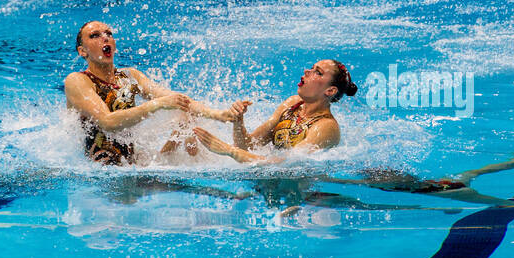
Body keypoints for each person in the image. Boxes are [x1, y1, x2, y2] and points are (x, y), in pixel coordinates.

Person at [65, 20, 247, 165]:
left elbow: (174, 99)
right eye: (95, 36)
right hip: (103, 175)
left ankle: (200, 172)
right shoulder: (77, 81)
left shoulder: (130, 76)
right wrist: (156, 104)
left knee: (186, 120)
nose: (105, 38)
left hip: (133, 165)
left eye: (109, 34)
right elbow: (107, 122)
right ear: (82, 51)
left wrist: (220, 115)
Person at [192, 59, 357, 162]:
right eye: (312, 68)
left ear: (330, 91)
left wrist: (229, 151)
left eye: (317, 72)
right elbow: (247, 147)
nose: (307, 71)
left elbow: (285, 166)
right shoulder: (293, 104)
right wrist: (238, 121)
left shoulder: (326, 127)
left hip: (303, 194)